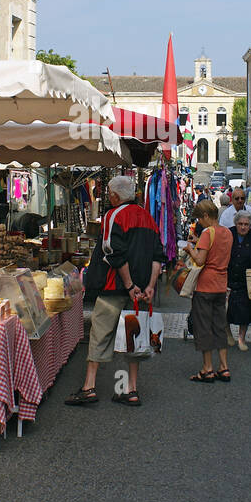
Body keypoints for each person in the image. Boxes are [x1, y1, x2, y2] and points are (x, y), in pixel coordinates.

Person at [67, 175, 165, 408]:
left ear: (115, 195)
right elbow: (157, 256)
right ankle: (130, 390)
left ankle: (89, 387)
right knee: (134, 337)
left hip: (116, 287)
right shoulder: (148, 218)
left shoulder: (113, 215)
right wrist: (149, 287)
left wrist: (130, 285)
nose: (108, 196)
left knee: (101, 333)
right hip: (141, 290)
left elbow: (113, 252)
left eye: (109, 192)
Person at [185, 199, 232, 382]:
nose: (199, 223)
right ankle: (224, 367)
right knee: (220, 326)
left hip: (205, 286)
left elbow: (200, 259)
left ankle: (207, 368)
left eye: (200, 219)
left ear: (206, 216)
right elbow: (217, 251)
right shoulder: (227, 232)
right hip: (221, 285)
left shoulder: (207, 232)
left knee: (204, 326)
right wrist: (200, 242)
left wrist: (190, 249)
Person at [226, 209, 251, 352]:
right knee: (225, 309)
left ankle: (241, 338)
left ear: (250, 225)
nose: (243, 227)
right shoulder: (229, 233)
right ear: (236, 224)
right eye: (240, 224)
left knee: (245, 311)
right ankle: (228, 333)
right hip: (229, 275)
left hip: (247, 278)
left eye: (246, 224)